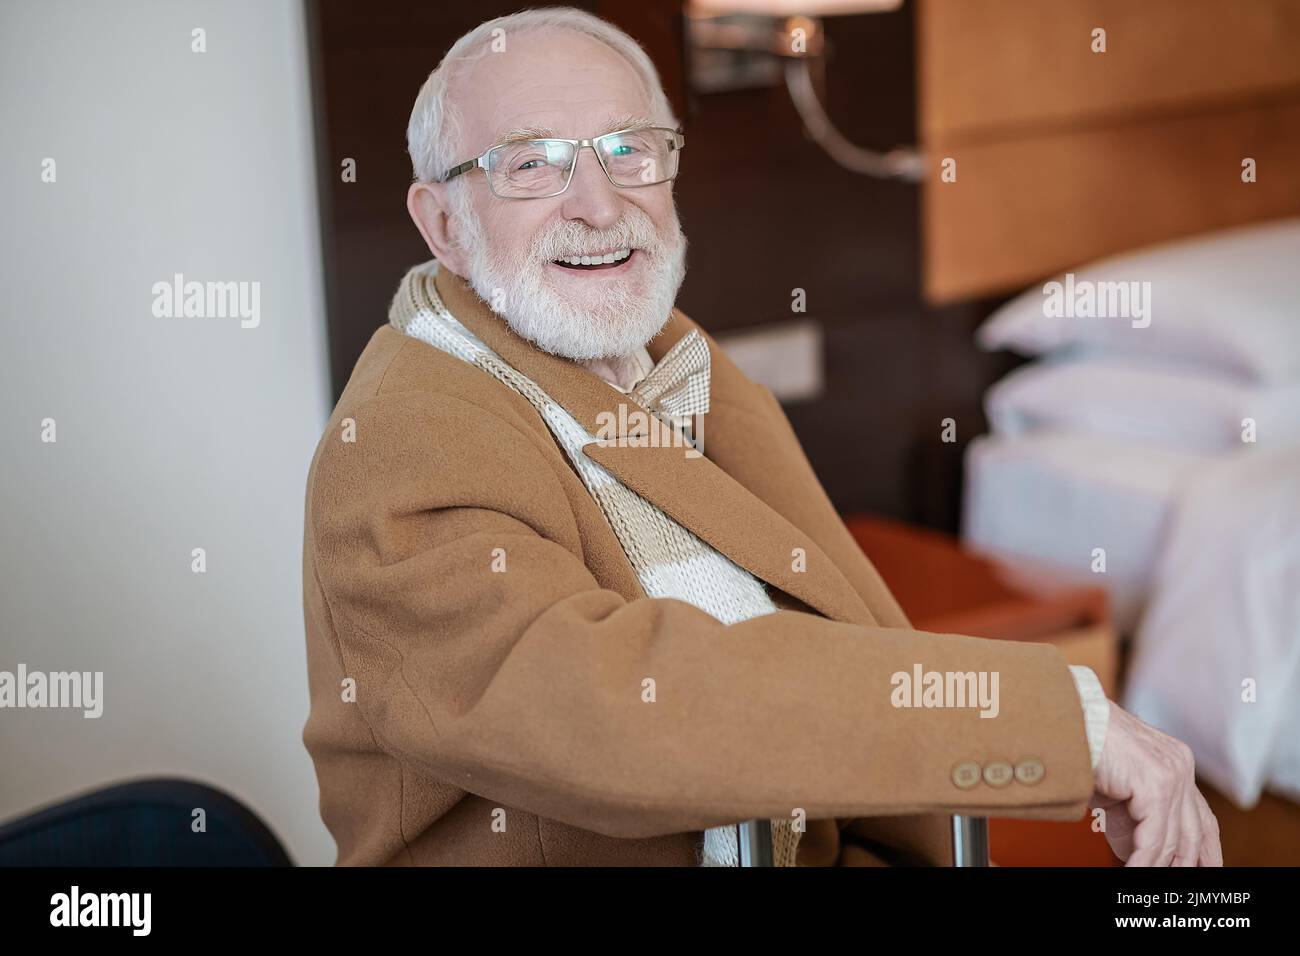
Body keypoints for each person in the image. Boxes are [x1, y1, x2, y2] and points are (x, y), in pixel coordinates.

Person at [301, 7, 1220, 867]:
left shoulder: (687, 369)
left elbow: (838, 643)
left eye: (629, 151)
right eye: (531, 165)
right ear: (443, 225)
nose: (599, 205)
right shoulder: (402, 442)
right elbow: (615, 707)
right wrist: (1051, 720)